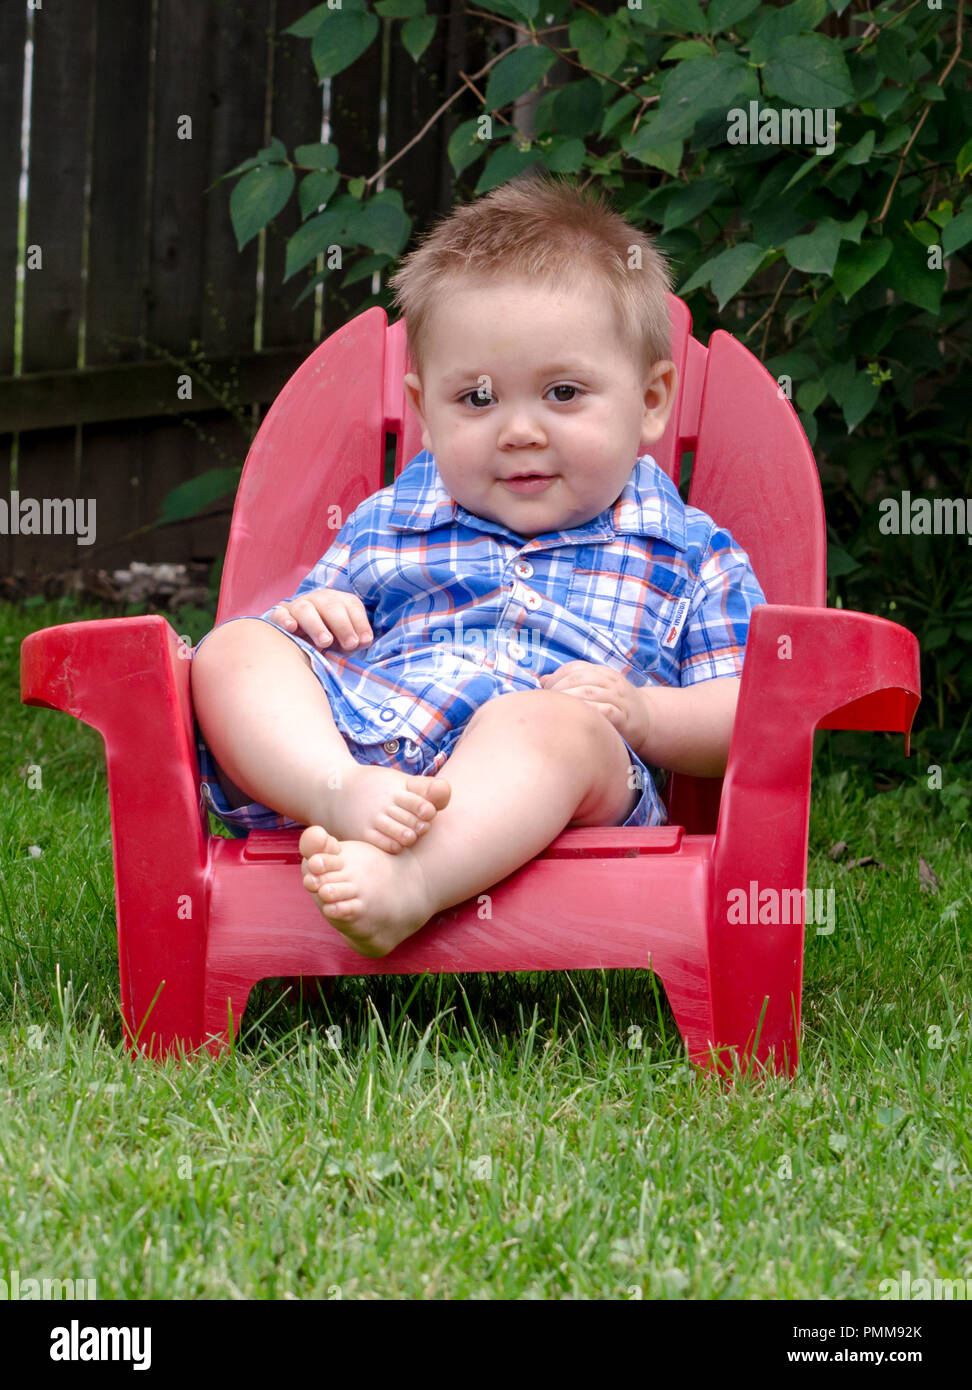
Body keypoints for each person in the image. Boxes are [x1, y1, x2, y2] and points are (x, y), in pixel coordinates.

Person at [190, 170, 765, 959]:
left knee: (550, 724)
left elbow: (753, 711)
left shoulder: (693, 554)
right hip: (368, 745)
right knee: (232, 648)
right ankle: (339, 795)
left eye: (563, 393)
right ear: (424, 413)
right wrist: (311, 618)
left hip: (552, 772)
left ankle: (411, 885)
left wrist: (645, 714)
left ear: (653, 400)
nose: (519, 430)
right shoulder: (392, 517)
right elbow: (315, 634)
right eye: (478, 400)